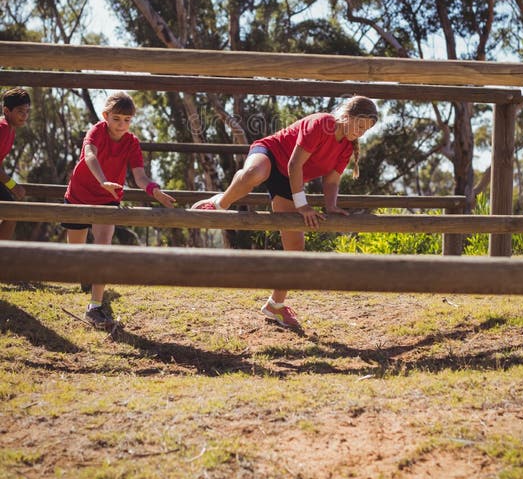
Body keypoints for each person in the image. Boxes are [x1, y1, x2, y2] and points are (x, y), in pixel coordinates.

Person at [190, 96, 378, 330]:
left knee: (296, 249)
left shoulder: (346, 148)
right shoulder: (321, 124)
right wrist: (302, 205)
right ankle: (220, 202)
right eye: (359, 126)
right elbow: (294, 164)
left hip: (288, 181)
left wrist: (331, 206)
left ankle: (275, 305)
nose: (361, 133)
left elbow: (331, 181)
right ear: (346, 116)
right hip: (271, 154)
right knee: (253, 174)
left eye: (366, 130)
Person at [62, 91, 175, 328]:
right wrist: (102, 179)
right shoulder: (96, 131)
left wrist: (154, 191)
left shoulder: (132, 142)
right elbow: (90, 155)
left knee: (103, 247)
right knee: (77, 254)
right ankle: (86, 276)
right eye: (116, 119)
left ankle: (95, 306)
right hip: (79, 195)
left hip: (108, 198)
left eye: (127, 120)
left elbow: (140, 176)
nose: (121, 125)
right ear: (105, 116)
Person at [0, 88, 31, 241]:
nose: (25, 115)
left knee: (11, 213)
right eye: (20, 111)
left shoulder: (10, 130)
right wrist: (13, 185)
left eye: (27, 111)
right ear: (6, 110)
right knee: (11, 212)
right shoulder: (3, 128)